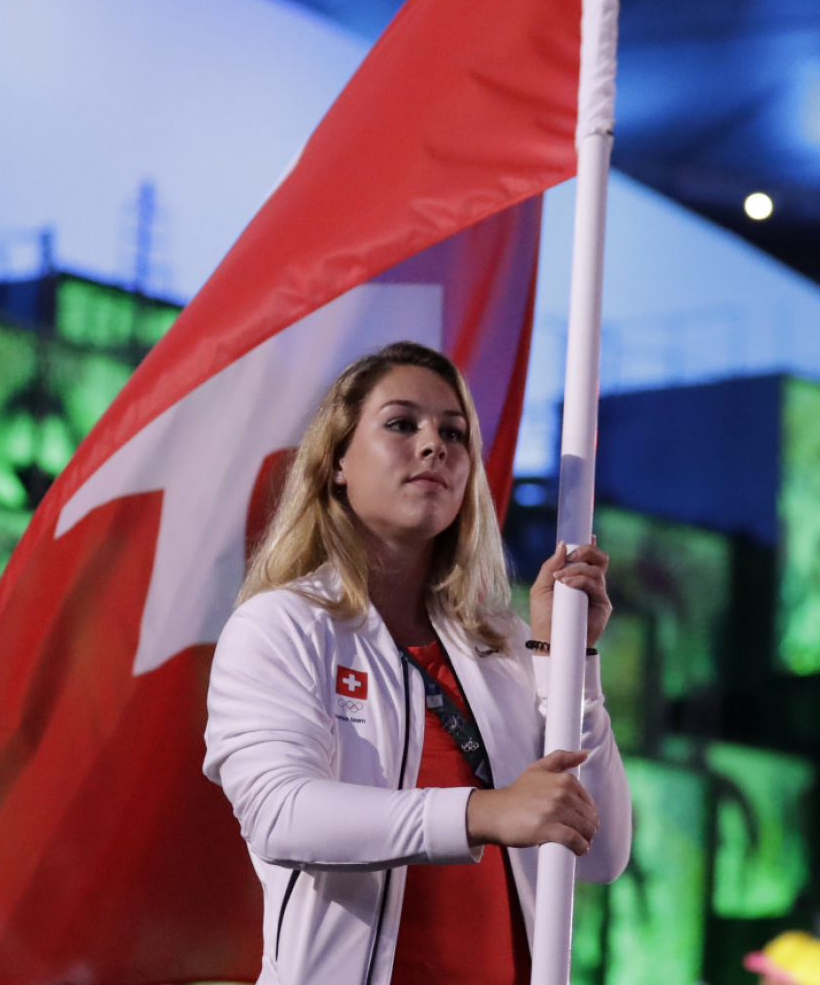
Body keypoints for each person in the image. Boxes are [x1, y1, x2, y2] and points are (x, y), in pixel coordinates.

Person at [203, 341, 631, 985]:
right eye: (402, 423)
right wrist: (483, 812)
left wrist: (566, 658)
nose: (435, 445)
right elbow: (279, 812)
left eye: (454, 433)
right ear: (337, 462)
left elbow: (599, 854)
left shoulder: (508, 647)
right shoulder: (282, 625)